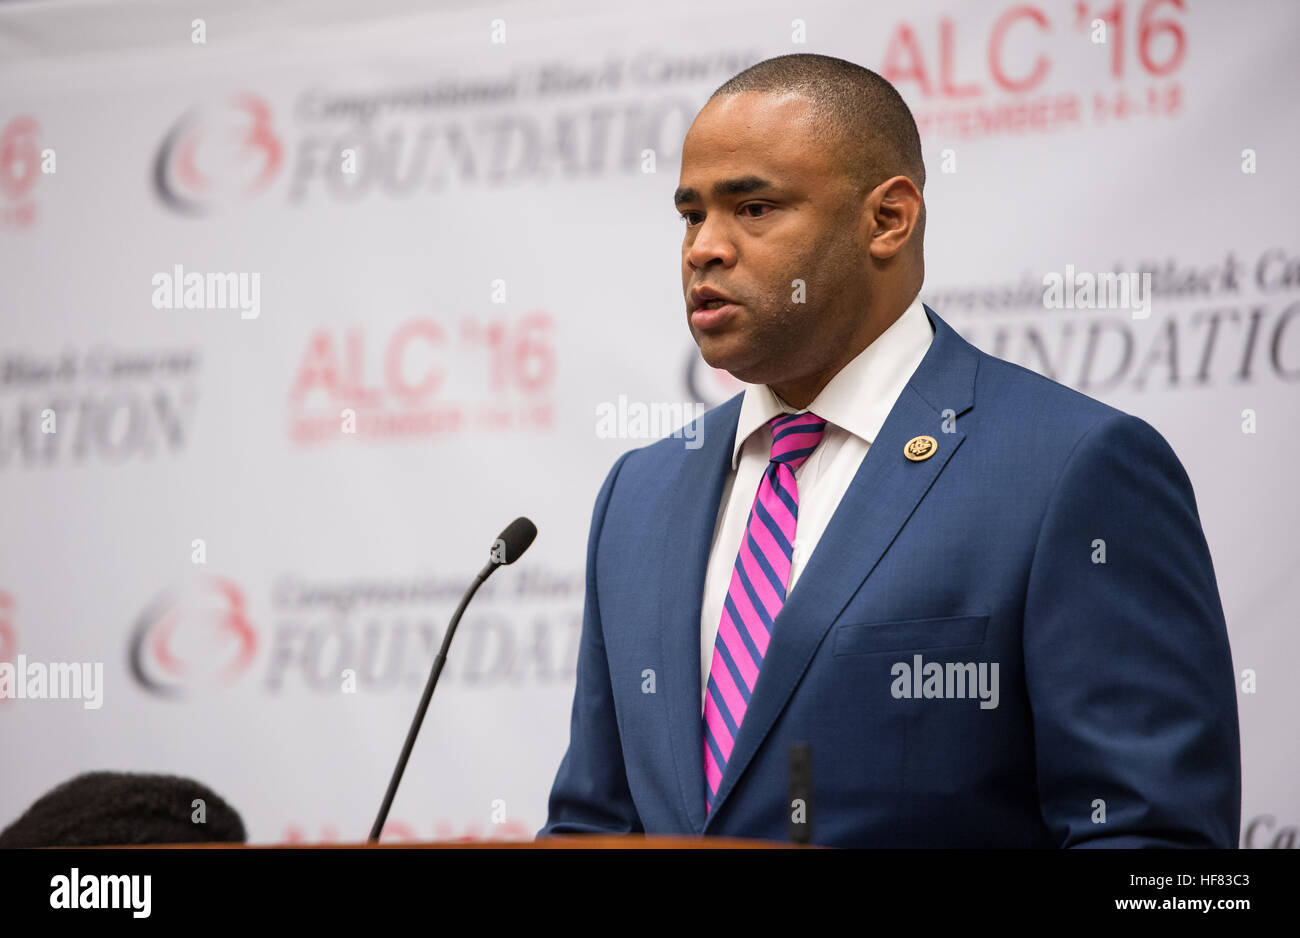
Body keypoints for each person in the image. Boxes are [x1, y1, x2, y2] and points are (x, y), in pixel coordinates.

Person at [539, 53, 1240, 847]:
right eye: (691, 215)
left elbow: (1162, 858)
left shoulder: (1074, 470)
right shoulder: (640, 494)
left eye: (755, 208)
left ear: (888, 219)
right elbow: (593, 826)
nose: (704, 247)